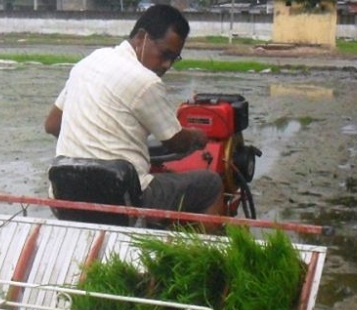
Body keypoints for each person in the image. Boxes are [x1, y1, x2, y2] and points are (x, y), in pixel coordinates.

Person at [44, 5, 225, 228]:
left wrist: (89, 148)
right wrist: (197, 137)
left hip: (65, 195)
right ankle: (192, 255)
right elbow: (176, 142)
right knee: (211, 184)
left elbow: (52, 124)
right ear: (142, 38)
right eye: (164, 54)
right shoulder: (146, 81)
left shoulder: (89, 62)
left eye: (174, 58)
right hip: (123, 197)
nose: (167, 65)